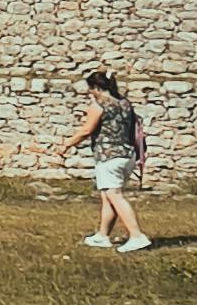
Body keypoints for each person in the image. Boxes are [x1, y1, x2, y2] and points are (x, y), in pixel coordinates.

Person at [61, 69, 152, 250]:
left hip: (109, 157)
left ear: (96, 87)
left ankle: (137, 235)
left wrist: (66, 145)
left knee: (114, 195)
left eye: (90, 88)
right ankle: (102, 236)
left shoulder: (99, 106)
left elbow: (86, 130)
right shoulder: (125, 104)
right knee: (107, 197)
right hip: (127, 155)